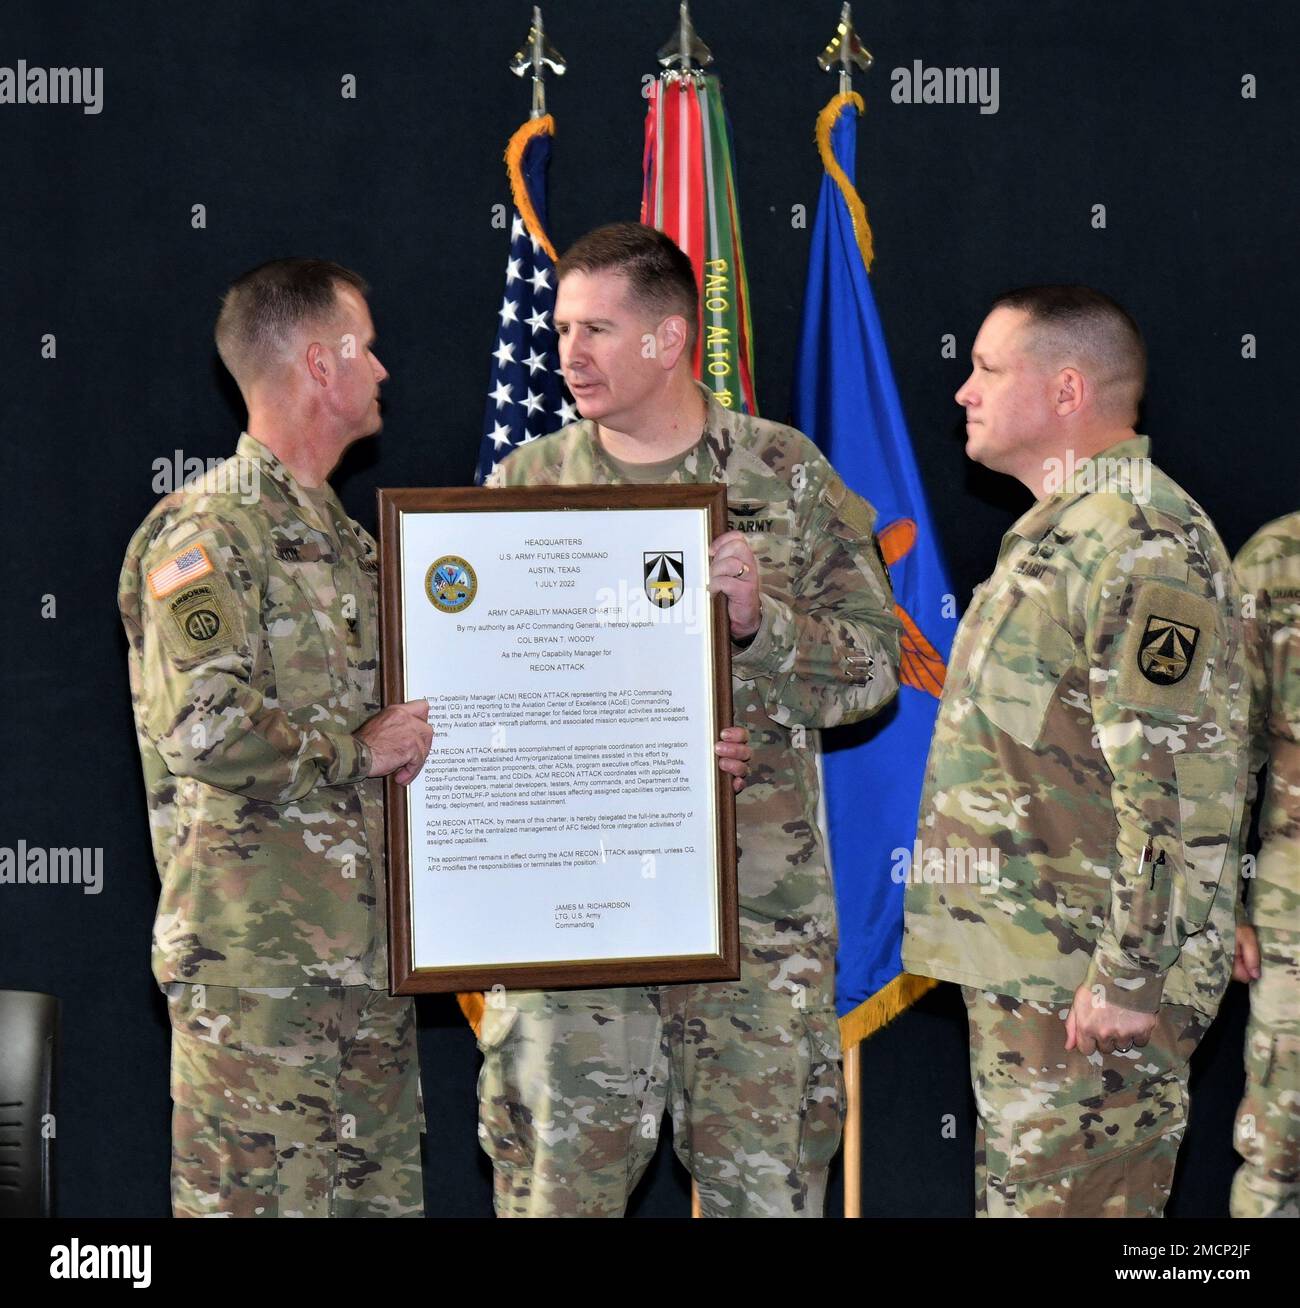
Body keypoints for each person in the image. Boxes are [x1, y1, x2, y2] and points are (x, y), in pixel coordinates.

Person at [477, 221, 902, 1217]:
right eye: (560, 331)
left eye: (597, 330)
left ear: (668, 339)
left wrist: (761, 626)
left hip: (753, 924)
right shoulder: (522, 485)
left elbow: (878, 671)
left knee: (765, 1197)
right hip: (573, 930)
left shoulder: (784, 472)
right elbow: (483, 696)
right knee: (554, 1198)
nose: (568, 354)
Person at [903, 285, 1250, 1217]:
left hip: (1090, 989)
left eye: (987, 368)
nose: (962, 392)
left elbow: (1179, 785)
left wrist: (1131, 975)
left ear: (1065, 391)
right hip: (1037, 975)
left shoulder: (1143, 542)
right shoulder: (1063, 535)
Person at [118, 258, 434, 1217]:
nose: (383, 371)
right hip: (258, 986)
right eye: (367, 349)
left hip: (371, 980)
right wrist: (357, 749)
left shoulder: (364, 553)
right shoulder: (204, 535)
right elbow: (206, 725)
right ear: (321, 363)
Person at [1230, 513, 1300, 1218]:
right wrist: (1225, 905)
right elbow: (1225, 750)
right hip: (1294, 920)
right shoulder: (1276, 565)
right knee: (1281, 1152)